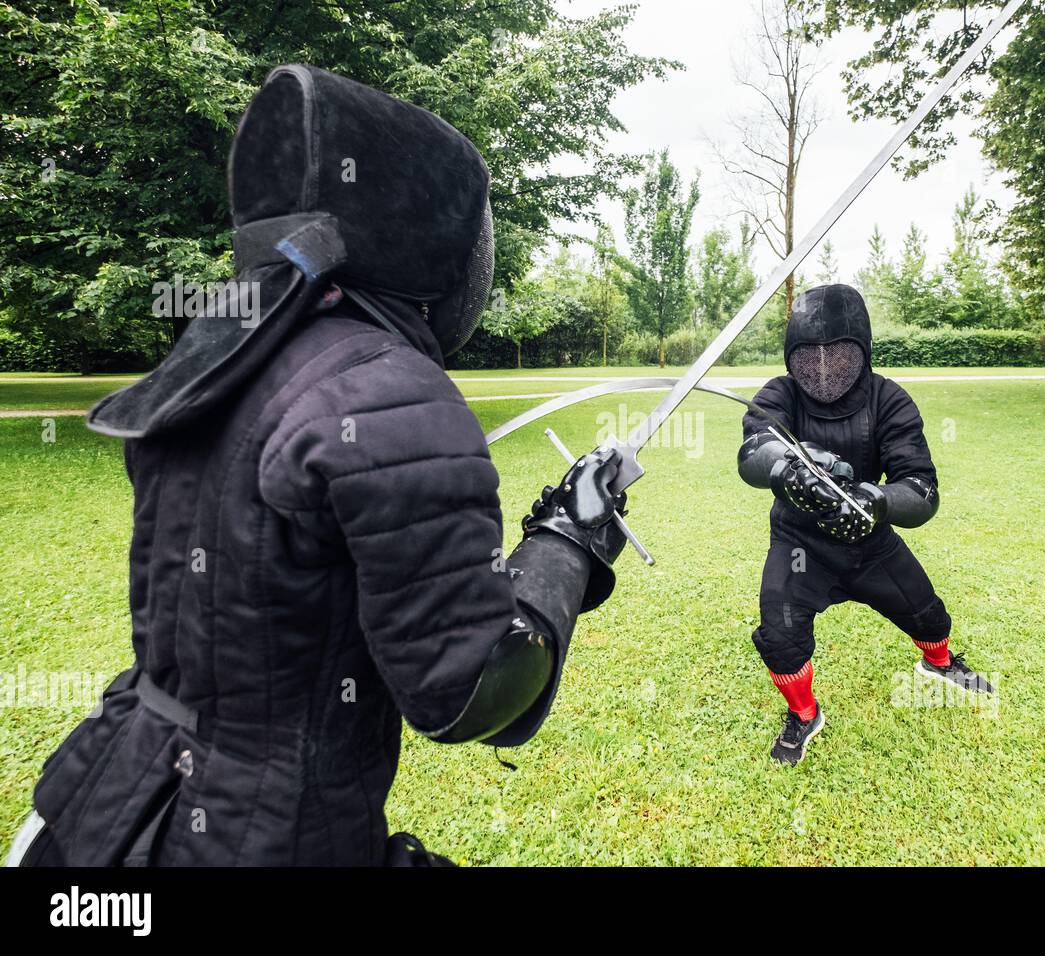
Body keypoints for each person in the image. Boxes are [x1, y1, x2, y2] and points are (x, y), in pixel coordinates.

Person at [8, 65, 627, 866]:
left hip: (89, 816)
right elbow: (472, 690)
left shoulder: (216, 358)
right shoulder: (389, 386)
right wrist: (567, 545)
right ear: (423, 230)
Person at [737, 284, 993, 766]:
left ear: (862, 350)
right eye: (809, 355)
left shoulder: (889, 399)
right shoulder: (780, 392)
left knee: (927, 613)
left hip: (869, 541)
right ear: (792, 354)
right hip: (799, 542)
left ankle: (938, 664)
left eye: (838, 354)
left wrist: (875, 499)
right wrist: (788, 470)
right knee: (780, 632)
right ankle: (804, 714)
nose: (824, 367)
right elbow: (753, 449)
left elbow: (922, 488)